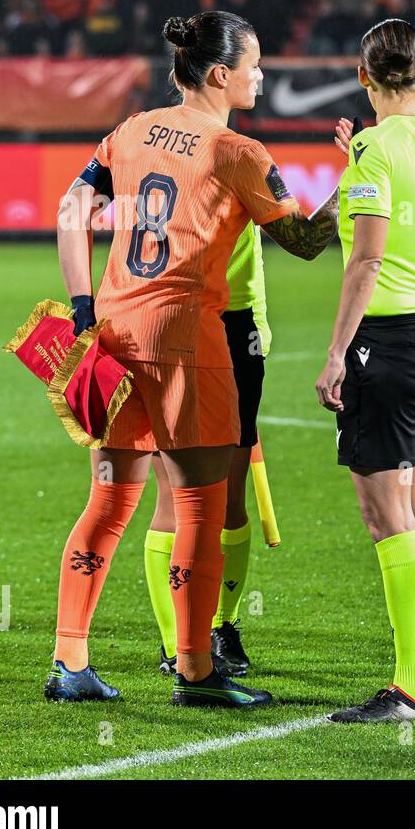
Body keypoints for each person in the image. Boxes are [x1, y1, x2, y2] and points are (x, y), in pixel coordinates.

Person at [45, 10, 340, 707]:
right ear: (220, 74)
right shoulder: (239, 152)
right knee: (200, 510)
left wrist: (83, 308)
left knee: (111, 502)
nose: (261, 76)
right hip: (187, 343)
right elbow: (302, 242)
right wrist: (354, 186)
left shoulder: (133, 129)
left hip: (114, 335)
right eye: (255, 65)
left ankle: (69, 662)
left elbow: (71, 205)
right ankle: (197, 671)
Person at [316, 19, 415, 724]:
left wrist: (337, 352)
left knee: (386, 516)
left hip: (388, 344)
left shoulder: (371, 152)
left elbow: (366, 259)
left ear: (363, 77)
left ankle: (409, 689)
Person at [142, 220, 273, 678]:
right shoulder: (238, 157)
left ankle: (222, 625)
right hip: (175, 319)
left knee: (227, 502)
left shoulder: (230, 155)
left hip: (230, 325)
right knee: (175, 501)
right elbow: (304, 241)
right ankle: (175, 640)